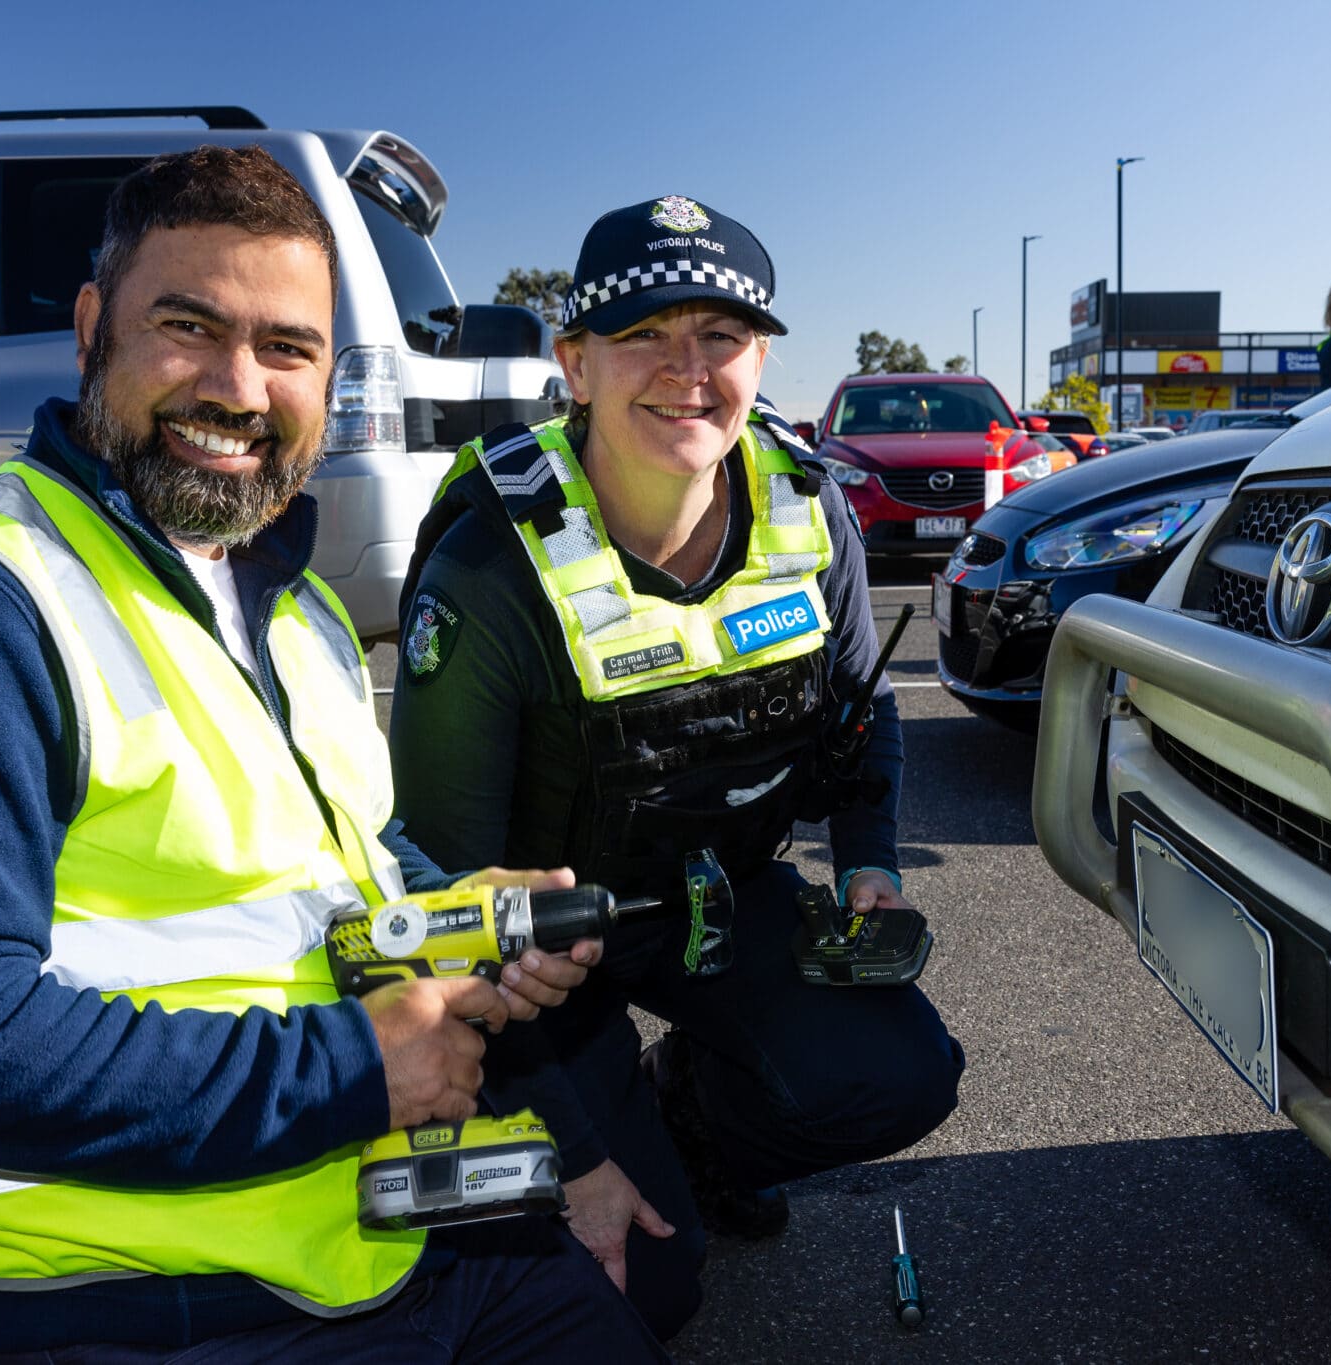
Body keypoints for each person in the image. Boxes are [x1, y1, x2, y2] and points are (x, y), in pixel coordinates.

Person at [0, 146, 667, 1363]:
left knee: (651, 1292)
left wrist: (453, 913)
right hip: (136, 1297)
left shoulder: (288, 606)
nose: (239, 389)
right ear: (94, 328)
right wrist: (351, 1072)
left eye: (288, 349)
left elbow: (330, 869)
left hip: (375, 1229)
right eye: (188, 327)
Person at [388, 195, 965, 1338]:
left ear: (759, 357)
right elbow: (448, 895)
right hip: (538, 961)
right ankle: (560, 1155)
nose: (685, 370)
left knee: (897, 1074)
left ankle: (684, 1122)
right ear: (575, 365)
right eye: (642, 334)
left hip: (716, 897)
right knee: (645, 1292)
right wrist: (580, 1157)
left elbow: (863, 711)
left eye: (719, 336)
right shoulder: (492, 565)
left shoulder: (809, 511)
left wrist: (868, 864)